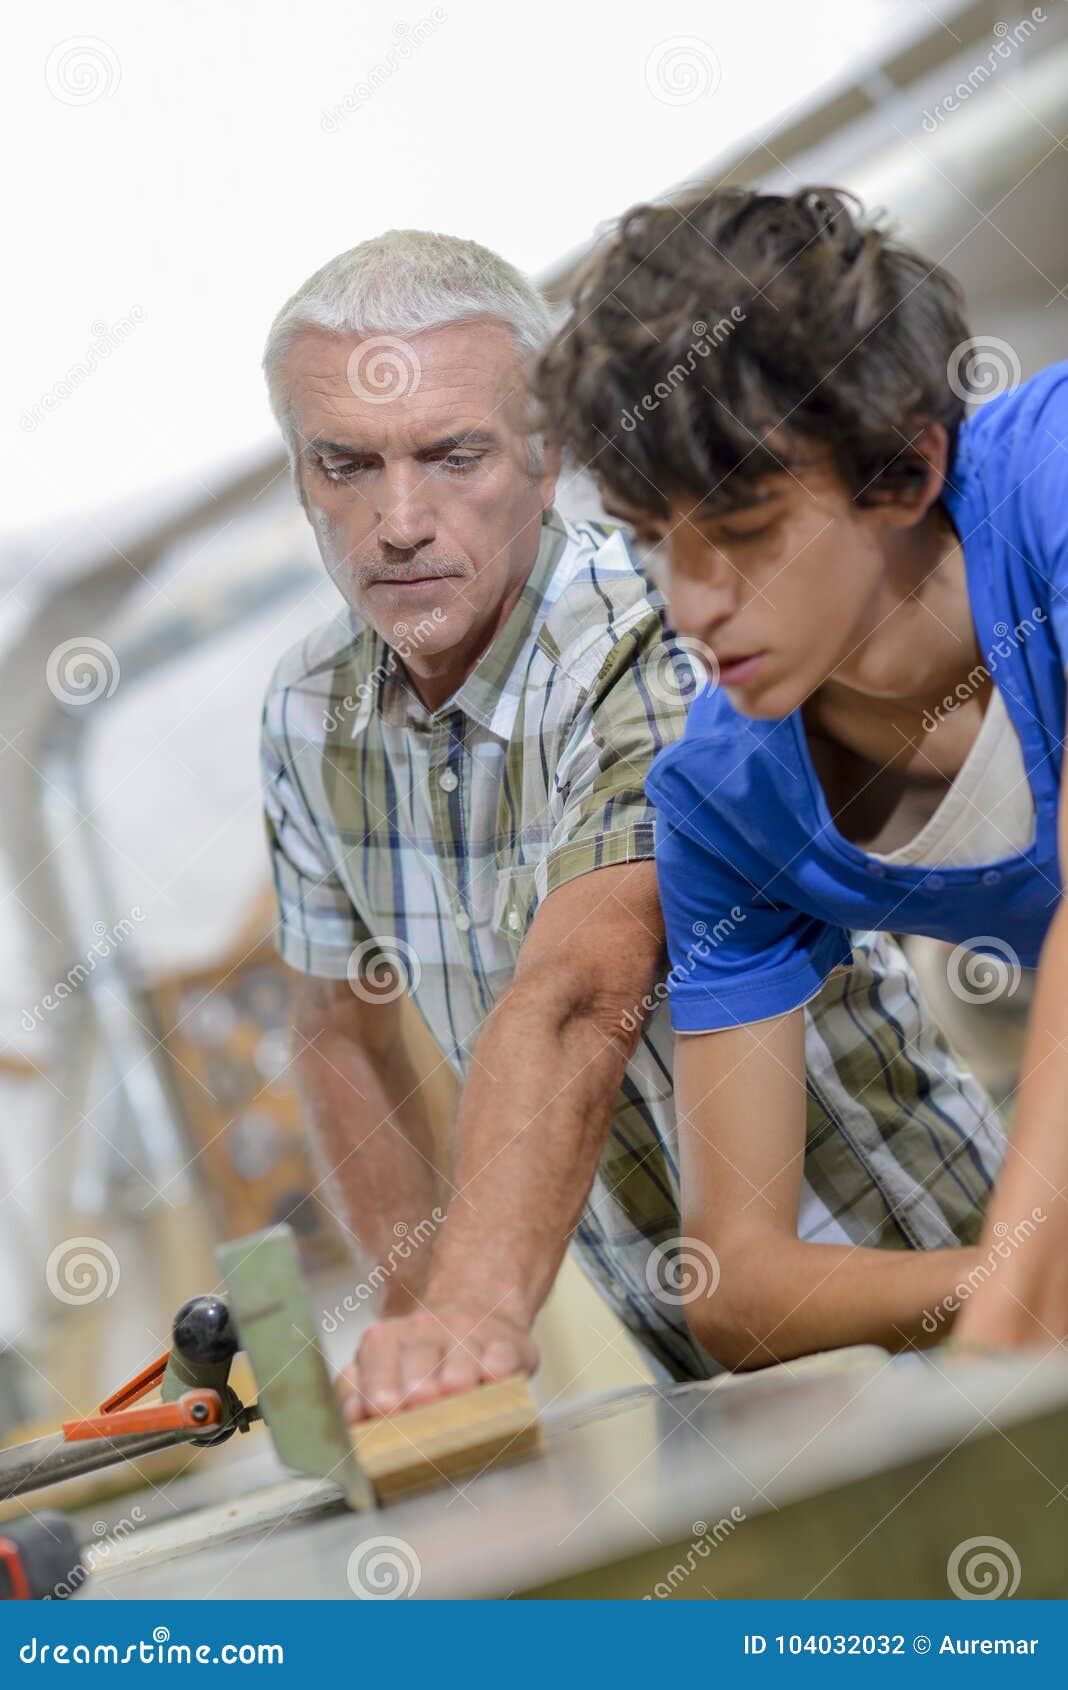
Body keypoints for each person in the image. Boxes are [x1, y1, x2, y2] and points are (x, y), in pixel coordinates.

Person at [259, 228, 1002, 1419]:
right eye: (344, 465)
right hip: (706, 1372)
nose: (399, 520)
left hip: (933, 1289)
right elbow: (341, 1033)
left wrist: (476, 1313)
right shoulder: (306, 715)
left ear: (547, 455)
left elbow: (582, 992)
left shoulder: (658, 630)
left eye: (454, 456)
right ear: (298, 476)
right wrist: (421, 1345)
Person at [535, 183, 1067, 1356]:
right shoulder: (729, 808)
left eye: (745, 527)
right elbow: (737, 1286)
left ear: (904, 471)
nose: (691, 604)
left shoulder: (1052, 488)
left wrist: (1020, 1299)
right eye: (651, 543)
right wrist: (1010, 1277)